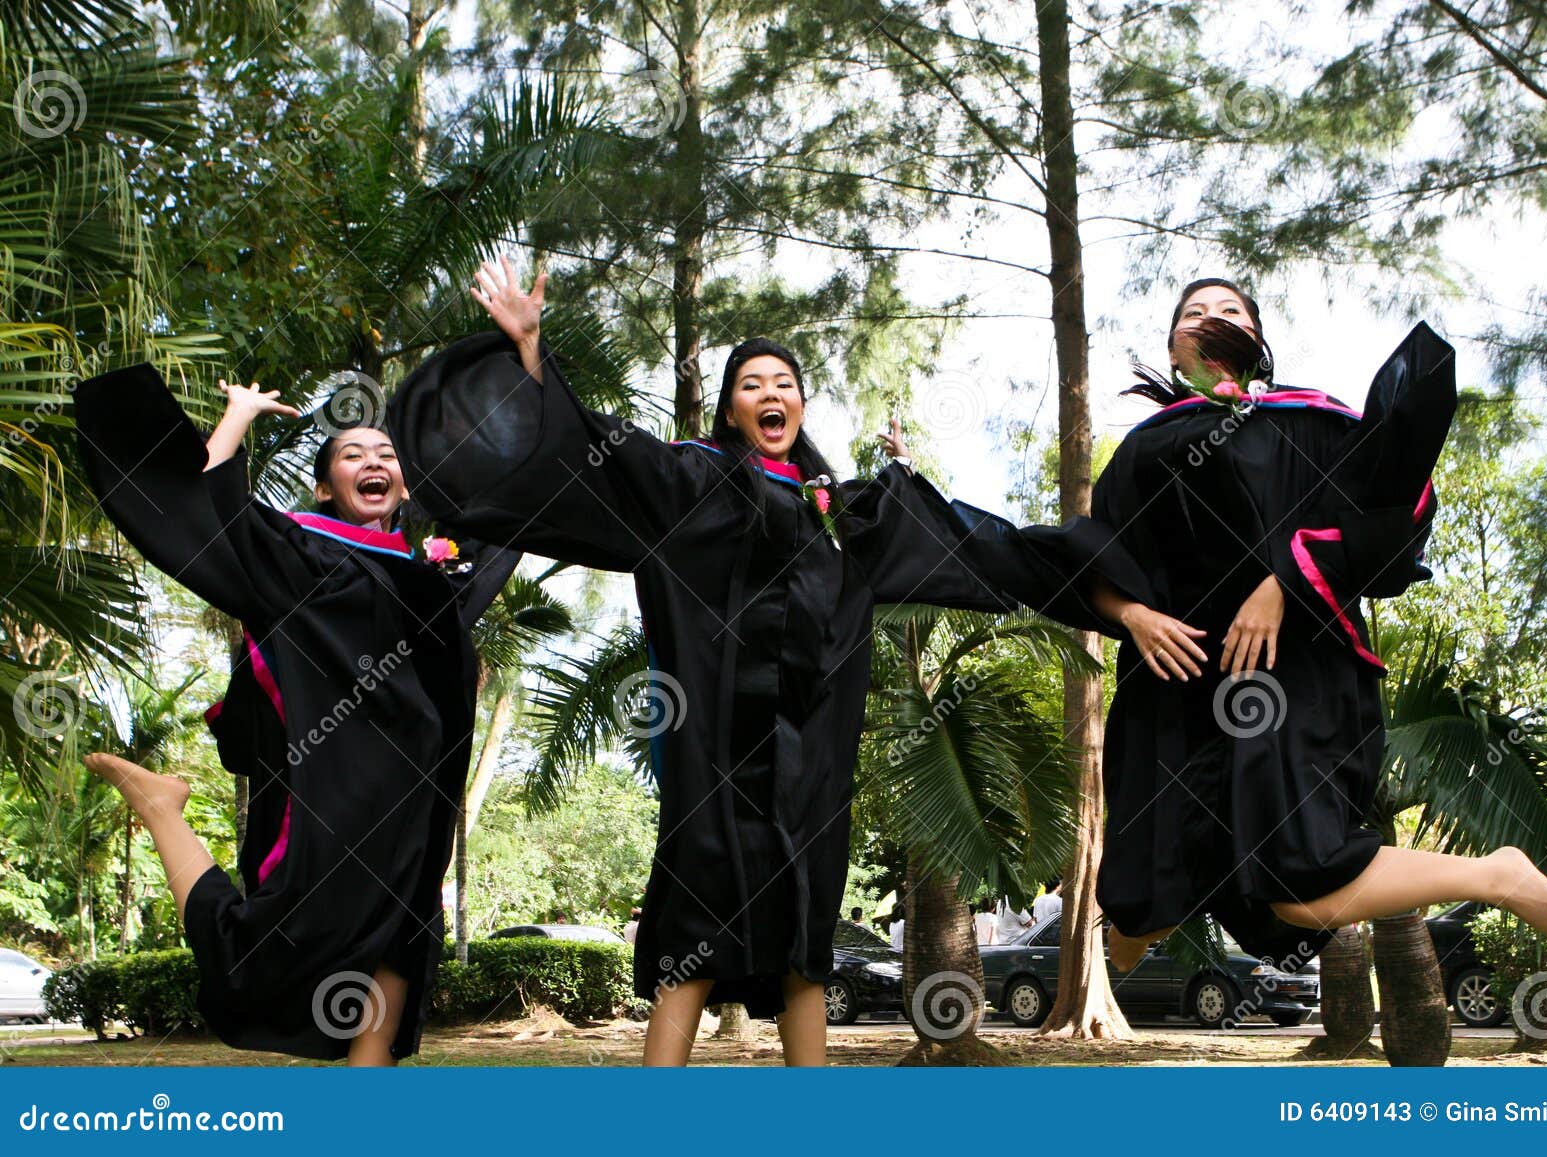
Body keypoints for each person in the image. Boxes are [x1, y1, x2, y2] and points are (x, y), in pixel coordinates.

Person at [386, 257, 1131, 1065]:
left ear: (800, 403)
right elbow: (591, 450)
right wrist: (533, 353)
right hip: (714, 766)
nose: (769, 392)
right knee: (693, 934)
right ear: (731, 407)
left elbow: (982, 550)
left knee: (803, 939)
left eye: (783, 381)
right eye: (750, 382)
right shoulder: (691, 483)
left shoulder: (841, 515)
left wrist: (1117, 599)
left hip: (809, 777)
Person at [956, 277, 1547, 970]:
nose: (1211, 319)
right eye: (1193, 313)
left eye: (1230, 311)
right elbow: (1089, 560)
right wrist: (1133, 615)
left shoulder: (1310, 423)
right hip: (1179, 681)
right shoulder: (1142, 452)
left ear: (1258, 342)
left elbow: (1386, 514)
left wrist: (1285, 579)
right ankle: (1143, 916)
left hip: (1291, 671)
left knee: (1299, 878)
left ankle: (1495, 874)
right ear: (1172, 349)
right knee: (1133, 910)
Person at [73, 370, 519, 1064]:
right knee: (273, 942)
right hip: (337, 791)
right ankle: (163, 809)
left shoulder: (431, 573)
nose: (373, 461)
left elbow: (505, 522)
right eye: (352, 454)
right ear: (322, 487)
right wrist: (238, 417)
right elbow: (213, 512)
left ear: (405, 485)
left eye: (387, 453)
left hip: (417, 797)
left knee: (406, 931)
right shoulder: (303, 549)